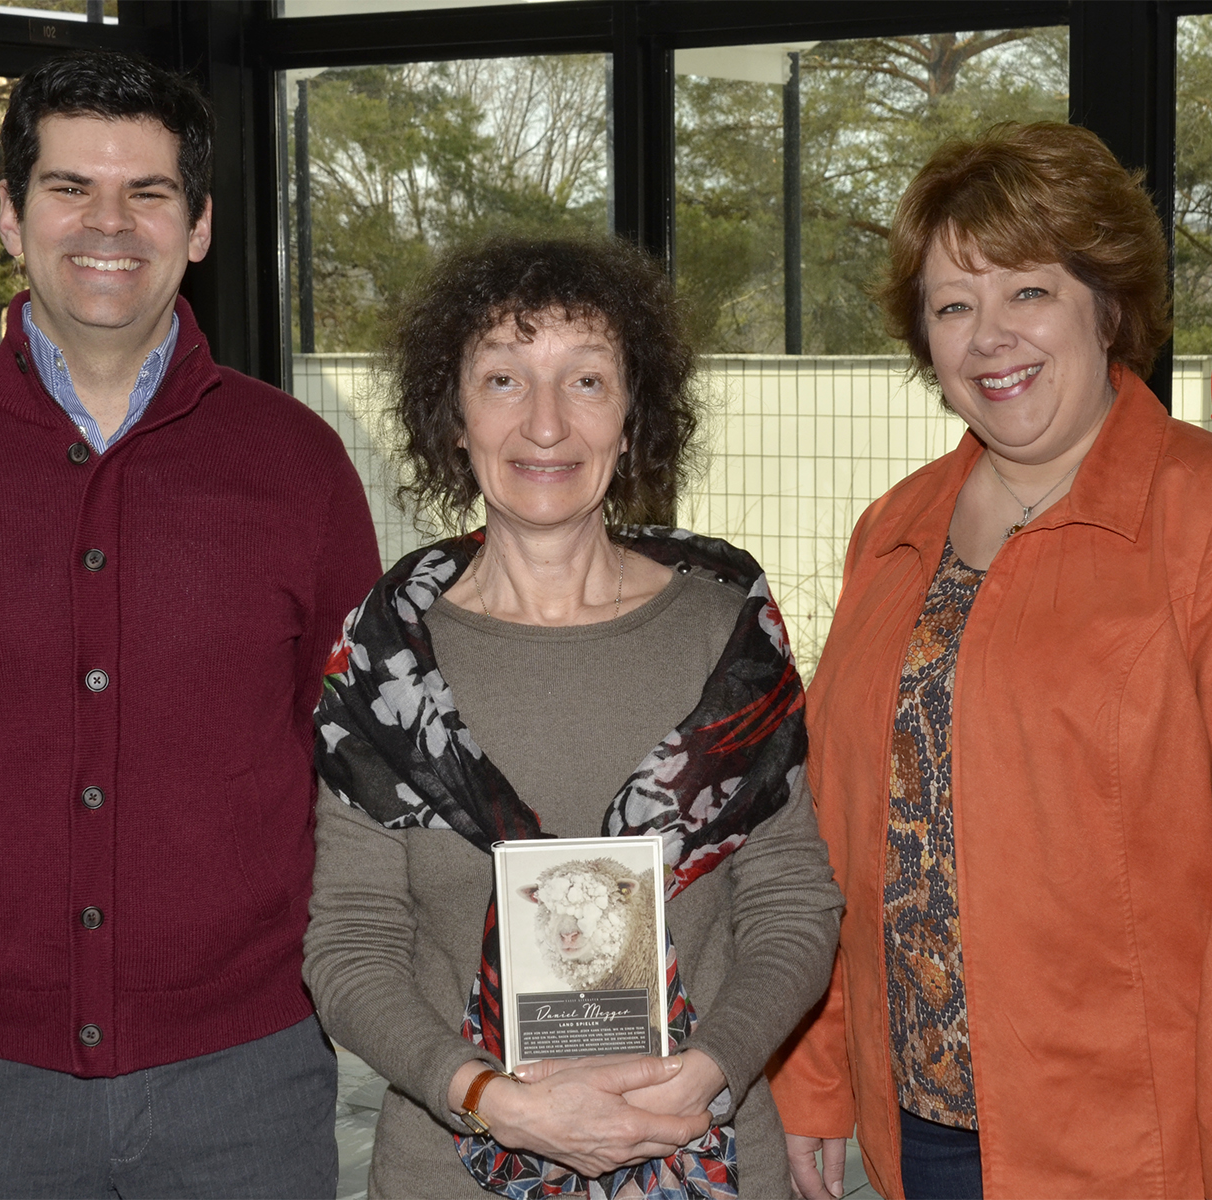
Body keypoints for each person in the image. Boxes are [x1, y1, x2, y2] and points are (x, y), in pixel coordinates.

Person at [770, 121, 1212, 1200]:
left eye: (1029, 292)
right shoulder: (895, 529)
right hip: (918, 1135)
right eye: (953, 305)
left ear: (1107, 304)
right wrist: (819, 1076)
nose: (988, 338)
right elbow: (840, 826)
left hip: (1150, 1156)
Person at [0, 49, 379, 1198]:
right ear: (13, 219)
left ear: (200, 226)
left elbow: (348, 728)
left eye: (148, 192)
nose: (107, 223)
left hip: (245, 1076)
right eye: (69, 188)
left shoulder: (295, 462)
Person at [304, 235, 845, 1198]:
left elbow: (793, 904)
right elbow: (350, 939)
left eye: (586, 380)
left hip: (705, 1148)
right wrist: (485, 1096)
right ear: (454, 419)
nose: (545, 424)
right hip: (451, 1166)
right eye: (503, 379)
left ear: (632, 419)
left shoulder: (730, 637)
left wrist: (713, 1066)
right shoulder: (386, 662)